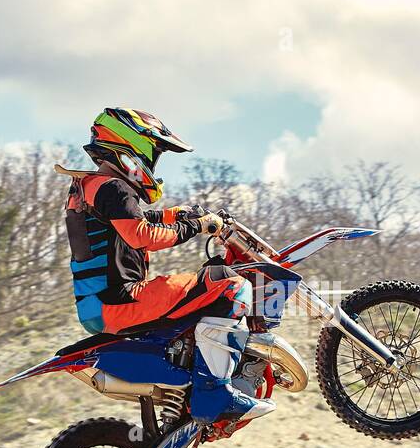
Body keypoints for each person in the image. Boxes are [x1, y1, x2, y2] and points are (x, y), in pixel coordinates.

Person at [64, 107, 273, 424]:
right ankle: (214, 391)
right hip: (120, 301)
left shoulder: (91, 187)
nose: (152, 163)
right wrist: (198, 226)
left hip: (100, 305)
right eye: (152, 153)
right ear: (131, 144)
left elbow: (127, 223)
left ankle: (196, 381)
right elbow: (141, 234)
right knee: (228, 283)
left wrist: (175, 215)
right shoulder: (114, 188)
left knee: (201, 291)